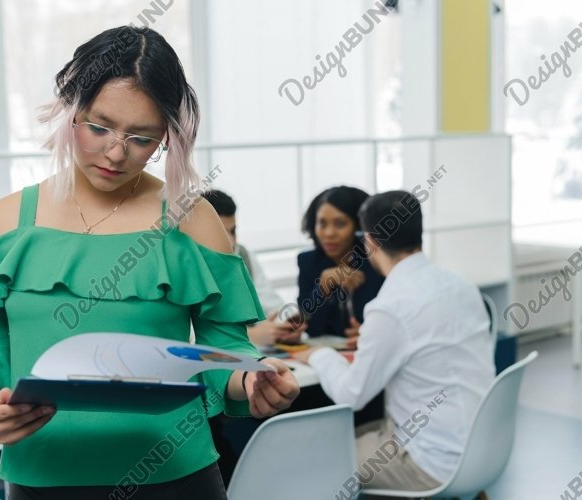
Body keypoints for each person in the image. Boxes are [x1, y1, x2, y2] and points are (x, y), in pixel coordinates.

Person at [0, 25, 298, 500]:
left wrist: (254, 380)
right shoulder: (6, 223)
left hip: (177, 479)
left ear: (167, 136)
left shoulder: (192, 221)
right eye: (98, 127)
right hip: (41, 480)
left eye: (142, 138)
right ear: (71, 111)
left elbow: (221, 357)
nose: (115, 153)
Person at [293, 190, 495, 491]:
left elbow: (351, 395)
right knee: (363, 433)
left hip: (429, 461)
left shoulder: (390, 306)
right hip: (483, 447)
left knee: (316, 456)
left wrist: (318, 355)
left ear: (369, 240)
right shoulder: (461, 285)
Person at [202, 189, 304, 346]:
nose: (230, 241)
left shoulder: (243, 255)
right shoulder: (181, 265)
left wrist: (286, 327)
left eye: (233, 231)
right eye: (221, 232)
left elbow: (271, 305)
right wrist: (250, 336)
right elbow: (188, 338)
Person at [296, 186, 384, 344]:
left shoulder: (377, 262)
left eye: (340, 224)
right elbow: (311, 329)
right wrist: (322, 290)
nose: (329, 233)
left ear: (359, 226)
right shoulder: (308, 262)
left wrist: (372, 333)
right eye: (322, 224)